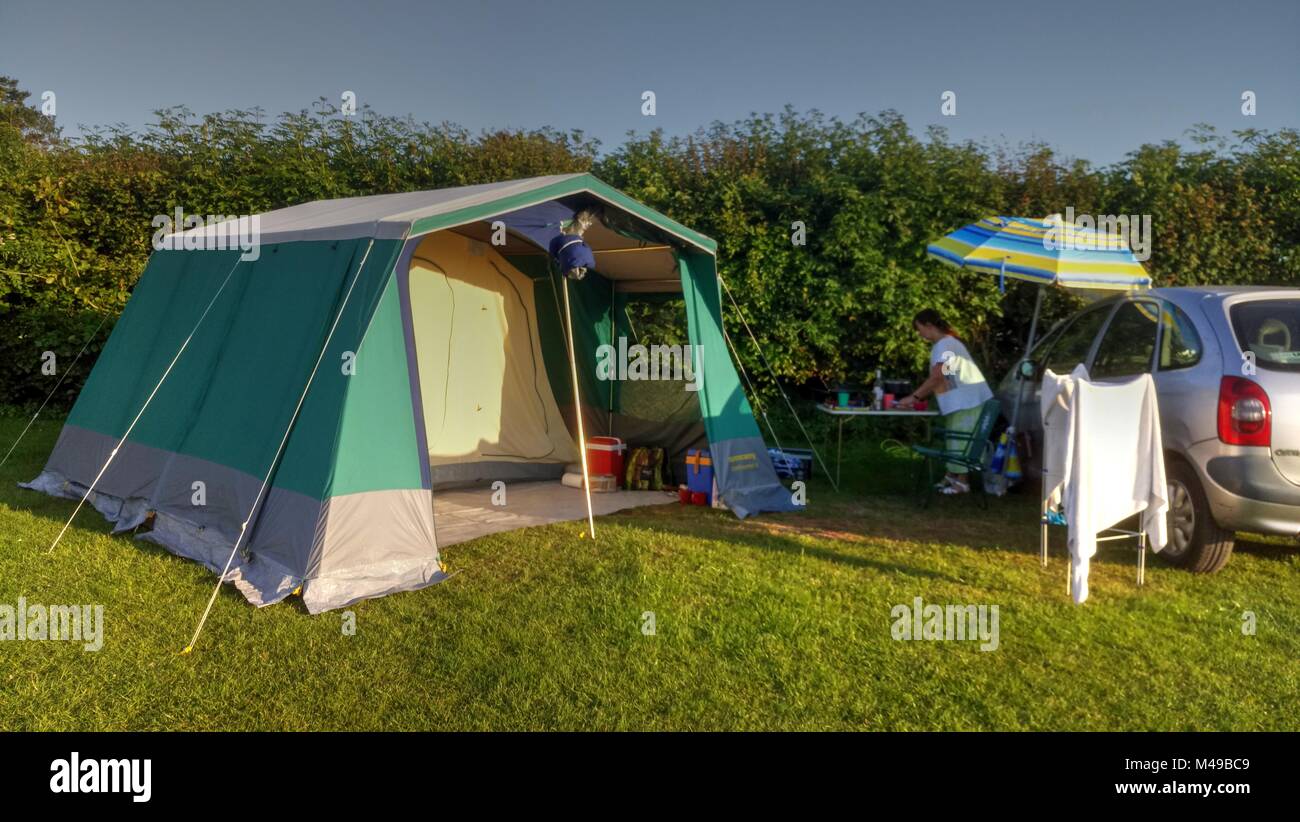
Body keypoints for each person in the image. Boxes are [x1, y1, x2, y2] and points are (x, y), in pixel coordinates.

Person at [896, 308, 994, 494]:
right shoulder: (947, 344)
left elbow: (938, 376)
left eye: (919, 329)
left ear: (929, 325)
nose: (920, 334)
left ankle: (962, 483)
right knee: (954, 439)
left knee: (962, 441)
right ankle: (951, 477)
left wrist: (914, 397)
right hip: (963, 400)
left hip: (968, 401)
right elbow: (947, 374)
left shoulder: (945, 344)